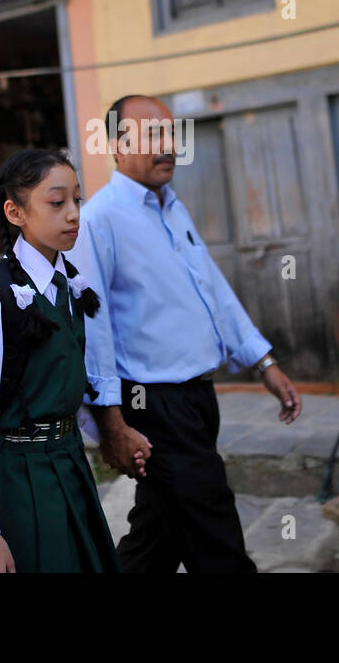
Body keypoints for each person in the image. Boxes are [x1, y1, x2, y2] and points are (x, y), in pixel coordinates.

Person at [76, 94, 303, 573]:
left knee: (159, 532)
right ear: (117, 146)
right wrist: (112, 423)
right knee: (213, 530)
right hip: (152, 405)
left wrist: (264, 363)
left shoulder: (172, 209)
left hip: (197, 398)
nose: (167, 146)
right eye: (151, 135)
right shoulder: (100, 220)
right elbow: (90, 330)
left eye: (170, 134)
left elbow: (213, 290)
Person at [0, 147, 126, 573]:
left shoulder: (68, 285)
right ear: (16, 212)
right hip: (19, 476)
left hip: (69, 464)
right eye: (56, 202)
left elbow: (62, 385)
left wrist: (109, 433)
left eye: (77, 201)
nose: (73, 214)